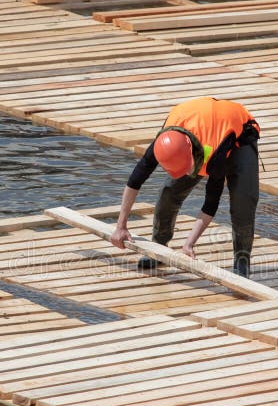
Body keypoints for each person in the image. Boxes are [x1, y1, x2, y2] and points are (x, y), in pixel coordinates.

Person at [109, 97, 260, 278]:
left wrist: (189, 243)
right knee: (169, 191)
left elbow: (211, 202)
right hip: (201, 125)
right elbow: (135, 180)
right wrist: (120, 226)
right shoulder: (165, 140)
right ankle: (159, 247)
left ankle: (241, 263)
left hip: (238, 136)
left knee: (243, 200)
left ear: (191, 154)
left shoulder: (215, 153)